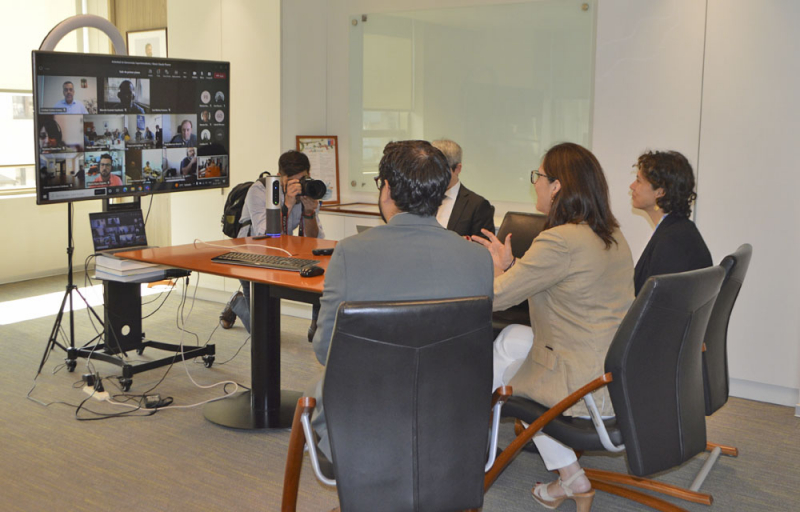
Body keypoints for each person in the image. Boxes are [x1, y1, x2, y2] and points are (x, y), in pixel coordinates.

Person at [307, 140, 494, 459]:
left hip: (369, 427)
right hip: (452, 426)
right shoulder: (479, 258)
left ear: (387, 189)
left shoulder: (350, 252)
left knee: (316, 390)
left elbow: (327, 351)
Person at [473, 142, 634, 511]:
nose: (536, 183)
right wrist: (511, 268)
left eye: (540, 176)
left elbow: (497, 298)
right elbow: (559, 283)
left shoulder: (560, 240)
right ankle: (568, 476)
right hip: (612, 369)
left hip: (583, 382)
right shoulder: (610, 234)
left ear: (557, 186)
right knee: (510, 340)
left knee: (508, 377)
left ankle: (470, 441)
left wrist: (496, 271)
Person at [219, 150, 327, 334]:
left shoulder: (308, 191)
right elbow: (266, 235)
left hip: (282, 253)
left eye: (303, 179)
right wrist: (288, 204)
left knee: (322, 278)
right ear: (280, 176)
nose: (299, 186)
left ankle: (317, 327)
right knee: (261, 331)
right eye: (293, 181)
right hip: (250, 254)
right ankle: (237, 302)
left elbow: (314, 240)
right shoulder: (259, 191)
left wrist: (309, 213)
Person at [630, 150, 712, 295]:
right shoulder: (680, 230)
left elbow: (656, 302)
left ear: (660, 192)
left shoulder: (672, 241)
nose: (632, 186)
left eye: (639, 181)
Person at [431, 139, 495, 237]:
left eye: (440, 170)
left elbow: (483, 245)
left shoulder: (477, 205)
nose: (434, 175)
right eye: (431, 169)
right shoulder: (421, 198)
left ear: (457, 169)